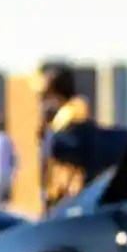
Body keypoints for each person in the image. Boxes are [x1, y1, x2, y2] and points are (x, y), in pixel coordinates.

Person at [38, 65, 91, 208]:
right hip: (58, 191)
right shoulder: (60, 113)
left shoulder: (73, 111)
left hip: (69, 191)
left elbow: (75, 149)